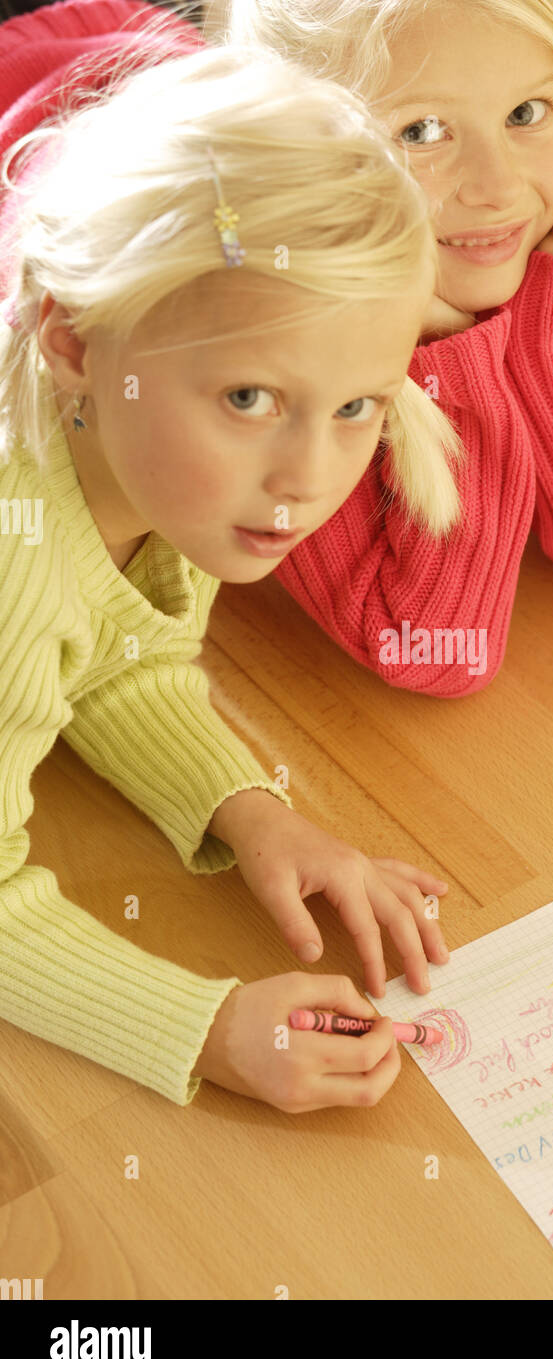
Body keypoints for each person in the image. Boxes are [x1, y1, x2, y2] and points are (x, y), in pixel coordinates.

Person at [0, 1, 461, 1112]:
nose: (308, 477)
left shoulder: (168, 473)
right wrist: (197, 1023)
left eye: (357, 404)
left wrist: (249, 810)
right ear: (72, 338)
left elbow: (112, 652)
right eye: (249, 398)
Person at [222, 0, 553, 697]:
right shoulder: (283, 349)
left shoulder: (544, 249)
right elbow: (434, 649)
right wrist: (452, 353)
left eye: (526, 113)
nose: (499, 188)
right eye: (422, 130)